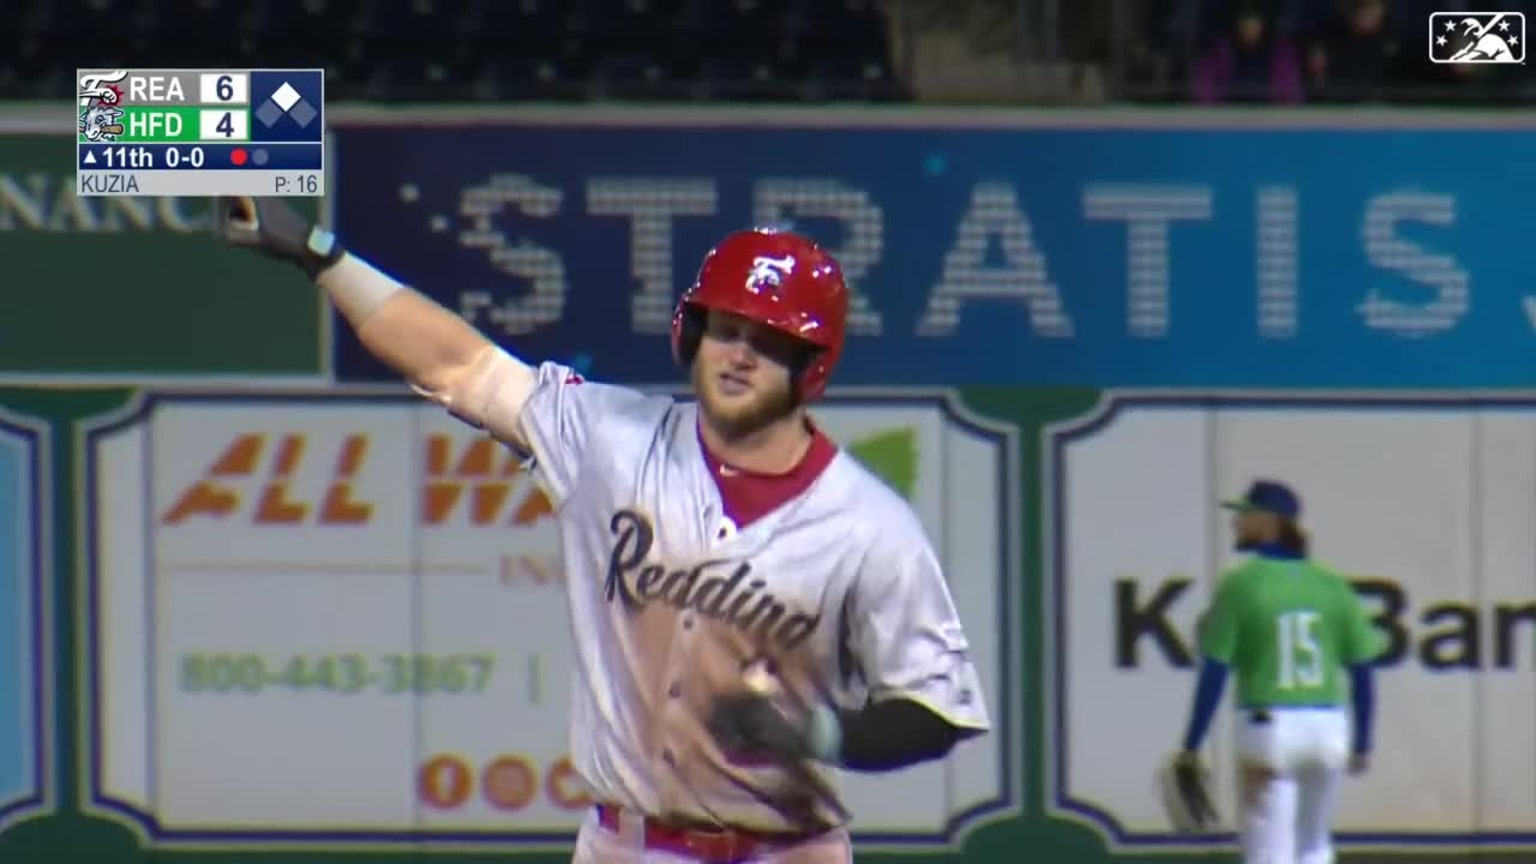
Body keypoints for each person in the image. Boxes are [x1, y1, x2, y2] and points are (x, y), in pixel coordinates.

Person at [212, 197, 990, 863]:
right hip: (629, 843)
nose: (739, 356)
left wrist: (814, 731)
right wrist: (322, 254)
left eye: (768, 341)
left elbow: (934, 709)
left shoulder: (868, 524)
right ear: (693, 332)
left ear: (810, 367)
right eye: (726, 329)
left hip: (789, 848)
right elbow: (460, 367)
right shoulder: (610, 441)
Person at [1176, 479, 1382, 864]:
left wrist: (1192, 743)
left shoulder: (1241, 584)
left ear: (1268, 521)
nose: (1236, 522)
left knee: (1269, 853)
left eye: (1244, 513)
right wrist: (1364, 741)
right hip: (1329, 727)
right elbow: (1363, 669)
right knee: (1315, 845)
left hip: (1269, 728)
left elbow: (1215, 671)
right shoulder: (1332, 583)